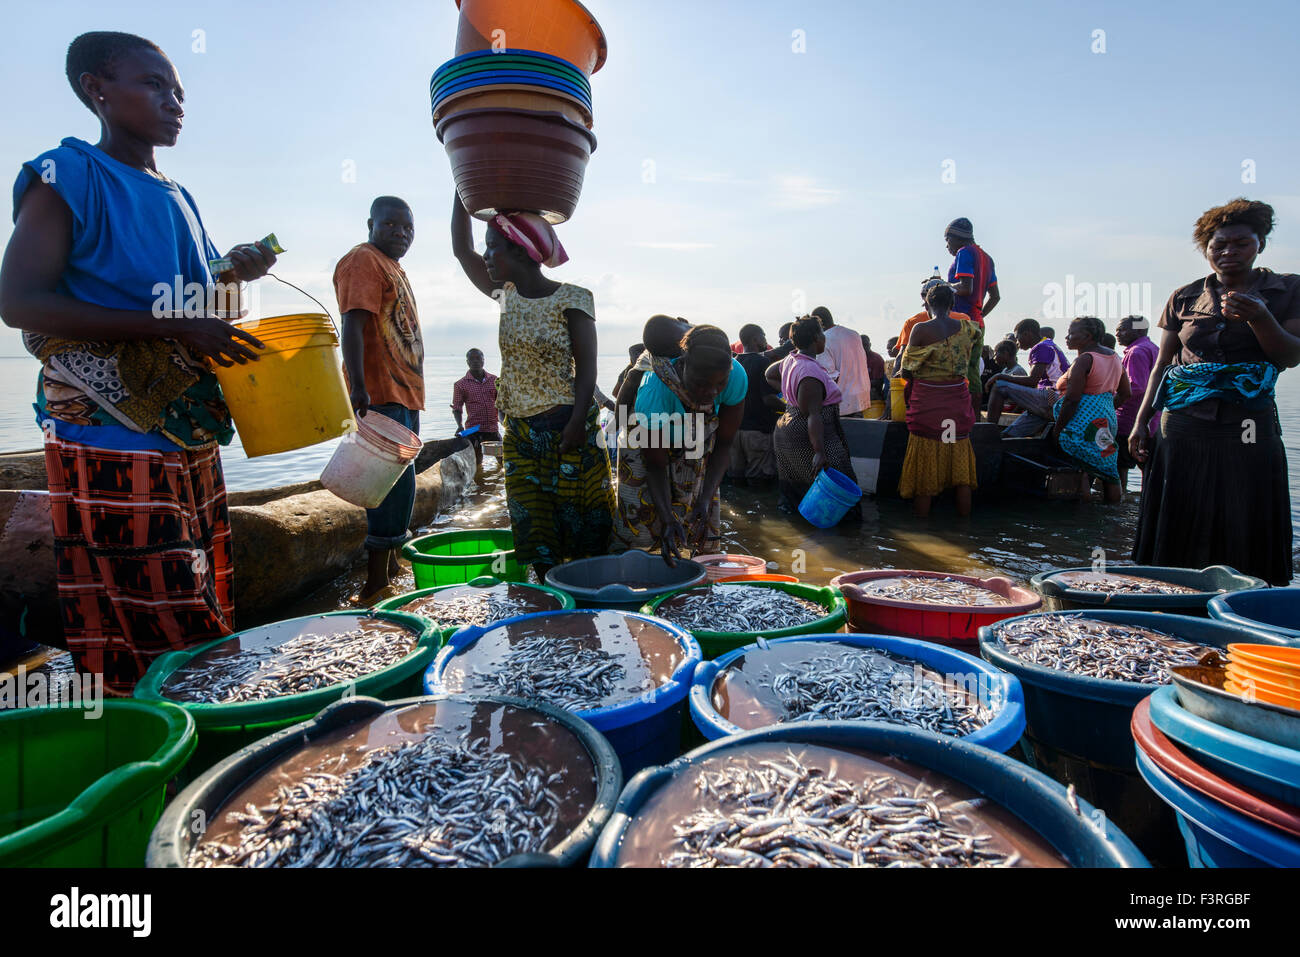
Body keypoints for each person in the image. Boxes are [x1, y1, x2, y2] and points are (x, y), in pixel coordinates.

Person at [0, 32, 277, 692]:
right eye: (154, 84)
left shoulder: (177, 195)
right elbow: (20, 301)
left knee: (197, 582)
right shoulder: (68, 175)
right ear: (98, 88)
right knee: (153, 606)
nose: (174, 100)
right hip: (109, 424)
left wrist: (238, 272)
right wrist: (178, 320)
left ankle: (183, 734)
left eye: (179, 89)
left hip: (182, 421)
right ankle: (175, 740)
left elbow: (196, 300)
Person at [1131, 199, 1300, 585]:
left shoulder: (1287, 289)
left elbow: (1289, 356)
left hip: (1248, 424)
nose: (1228, 252)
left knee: (1243, 509)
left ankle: (1245, 595)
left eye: (1241, 243)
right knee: (1180, 510)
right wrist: (1142, 423)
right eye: (1218, 245)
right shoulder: (1185, 296)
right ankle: (1173, 590)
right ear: (1206, 250)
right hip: (1182, 425)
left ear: (1260, 244)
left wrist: (1260, 316)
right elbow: (1163, 365)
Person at [452, 194, 614, 579]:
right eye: (487, 248)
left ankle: (589, 604)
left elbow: (587, 370)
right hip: (520, 433)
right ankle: (549, 602)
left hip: (568, 428)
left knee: (584, 524)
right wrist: (462, 189)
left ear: (522, 251)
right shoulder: (506, 297)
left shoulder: (573, 298)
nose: (487, 257)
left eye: (494, 248)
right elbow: (462, 250)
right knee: (533, 522)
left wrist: (576, 424)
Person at [335, 196, 425, 601]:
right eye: (391, 226)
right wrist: (357, 386)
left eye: (407, 228)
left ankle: (389, 567)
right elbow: (352, 323)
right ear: (370, 223)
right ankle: (375, 582)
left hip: (403, 393)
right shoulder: (363, 260)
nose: (401, 234)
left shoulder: (395, 267)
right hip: (378, 393)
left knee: (401, 482)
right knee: (381, 484)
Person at [615, 325, 747, 564]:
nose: (711, 392)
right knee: (640, 524)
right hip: (645, 442)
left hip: (697, 439)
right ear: (683, 366)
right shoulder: (655, 389)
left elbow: (724, 445)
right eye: (701, 384)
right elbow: (655, 465)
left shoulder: (735, 376)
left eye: (720, 384)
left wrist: (704, 500)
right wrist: (667, 518)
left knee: (699, 517)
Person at [897, 282, 981, 517]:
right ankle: (964, 530)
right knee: (961, 473)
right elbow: (973, 364)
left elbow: (906, 370)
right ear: (953, 304)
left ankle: (923, 536)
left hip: (929, 406)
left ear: (927, 303)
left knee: (925, 471)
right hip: (957, 404)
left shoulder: (921, 329)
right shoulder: (970, 328)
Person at [766, 317, 861, 521]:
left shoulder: (792, 359)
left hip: (789, 427)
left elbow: (769, 374)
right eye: (822, 335)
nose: (824, 339)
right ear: (817, 338)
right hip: (810, 432)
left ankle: (799, 528)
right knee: (836, 479)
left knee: (798, 487)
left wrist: (790, 398)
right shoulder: (809, 371)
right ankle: (838, 532)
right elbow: (813, 415)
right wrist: (819, 452)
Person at [1052, 317, 1130, 503]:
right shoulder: (1114, 357)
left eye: (1071, 333)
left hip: (1083, 421)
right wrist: (1104, 409)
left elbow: (1072, 399)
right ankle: (1113, 510)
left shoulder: (1085, 360)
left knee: (1081, 465)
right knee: (1108, 465)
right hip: (1106, 418)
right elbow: (1126, 393)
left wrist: (1057, 429)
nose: (1067, 337)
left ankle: (1084, 515)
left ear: (1087, 336)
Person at [728, 324, 792, 484]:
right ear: (755, 339)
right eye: (763, 335)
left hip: (735, 432)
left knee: (737, 480)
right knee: (759, 482)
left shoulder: (733, 364)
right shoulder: (763, 363)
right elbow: (768, 398)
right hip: (757, 432)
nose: (765, 339)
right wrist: (791, 410)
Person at [984, 318, 1071, 435]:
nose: (1017, 343)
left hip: (1052, 396)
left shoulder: (1041, 347)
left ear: (1027, 334)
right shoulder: (1049, 344)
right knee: (1009, 435)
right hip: (1057, 399)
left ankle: (988, 431)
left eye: (1018, 337)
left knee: (999, 386)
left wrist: (1001, 376)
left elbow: (1032, 381)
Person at [1114, 315, 1159, 489]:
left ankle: (1118, 506)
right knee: (1147, 467)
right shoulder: (1153, 348)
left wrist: (1110, 403)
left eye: (1122, 329)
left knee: (1119, 468)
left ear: (1139, 330)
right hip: (1151, 419)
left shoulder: (1137, 351)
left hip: (1130, 420)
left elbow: (1136, 386)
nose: (1117, 333)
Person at [811, 306, 872, 416]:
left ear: (819, 323)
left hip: (841, 403)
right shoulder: (854, 334)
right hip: (860, 398)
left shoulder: (824, 340)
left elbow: (830, 377)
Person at [944, 218, 1000, 328]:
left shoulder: (964, 252)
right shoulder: (987, 259)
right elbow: (995, 297)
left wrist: (944, 286)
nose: (947, 246)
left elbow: (965, 288)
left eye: (947, 240)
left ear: (956, 237)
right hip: (977, 324)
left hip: (960, 324)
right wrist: (979, 316)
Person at [452, 348, 501, 474]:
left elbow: (502, 404)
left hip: (492, 428)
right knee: (477, 464)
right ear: (467, 362)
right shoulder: (460, 384)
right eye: (471, 359)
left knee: (503, 460)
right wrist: (459, 426)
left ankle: (499, 485)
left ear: (483, 360)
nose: (475, 361)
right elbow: (457, 408)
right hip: (474, 429)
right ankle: (478, 489)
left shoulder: (495, 380)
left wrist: (507, 423)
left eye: (478, 358)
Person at [861, 334, 887, 418]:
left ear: (870, 345)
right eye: (861, 345)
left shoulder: (876, 358)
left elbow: (878, 382)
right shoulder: (857, 358)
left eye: (865, 344)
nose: (864, 347)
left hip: (873, 392)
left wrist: (859, 384)